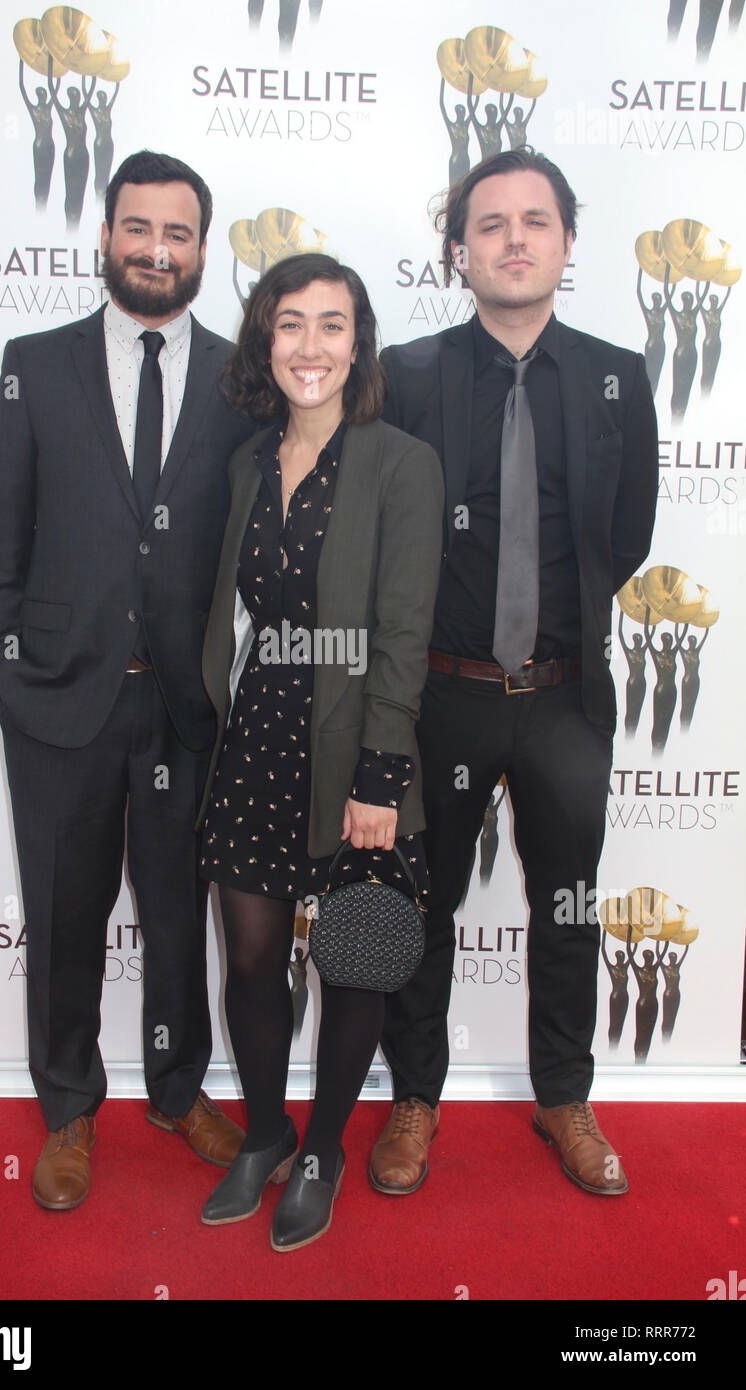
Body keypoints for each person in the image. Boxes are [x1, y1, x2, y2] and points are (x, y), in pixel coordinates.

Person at [372, 147, 658, 1197]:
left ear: (566, 244)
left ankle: (563, 1093)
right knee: (419, 903)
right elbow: (387, 541)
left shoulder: (617, 377)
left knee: (568, 904)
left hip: (562, 699)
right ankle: (413, 1099)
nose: (512, 239)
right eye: (489, 223)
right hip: (437, 698)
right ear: (458, 249)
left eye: (534, 221)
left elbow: (620, 539)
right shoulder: (405, 374)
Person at [0, 150, 255, 1211]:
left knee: (179, 912)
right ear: (105, 238)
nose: (155, 250)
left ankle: (177, 1089)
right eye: (137, 228)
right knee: (64, 911)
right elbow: (0, 525)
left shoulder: (242, 378)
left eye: (177, 233)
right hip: (57, 696)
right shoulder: (32, 364)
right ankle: (65, 1109)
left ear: (200, 248)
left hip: (186, 706)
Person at [197, 252, 443, 1250]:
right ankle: (263, 1132)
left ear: (358, 342)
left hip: (356, 747)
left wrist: (381, 772)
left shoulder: (400, 464)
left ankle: (325, 1150)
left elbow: (400, 628)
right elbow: (233, 614)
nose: (310, 345)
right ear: (265, 338)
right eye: (288, 322)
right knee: (253, 957)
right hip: (257, 735)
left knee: (352, 961)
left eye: (331, 325)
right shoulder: (244, 463)